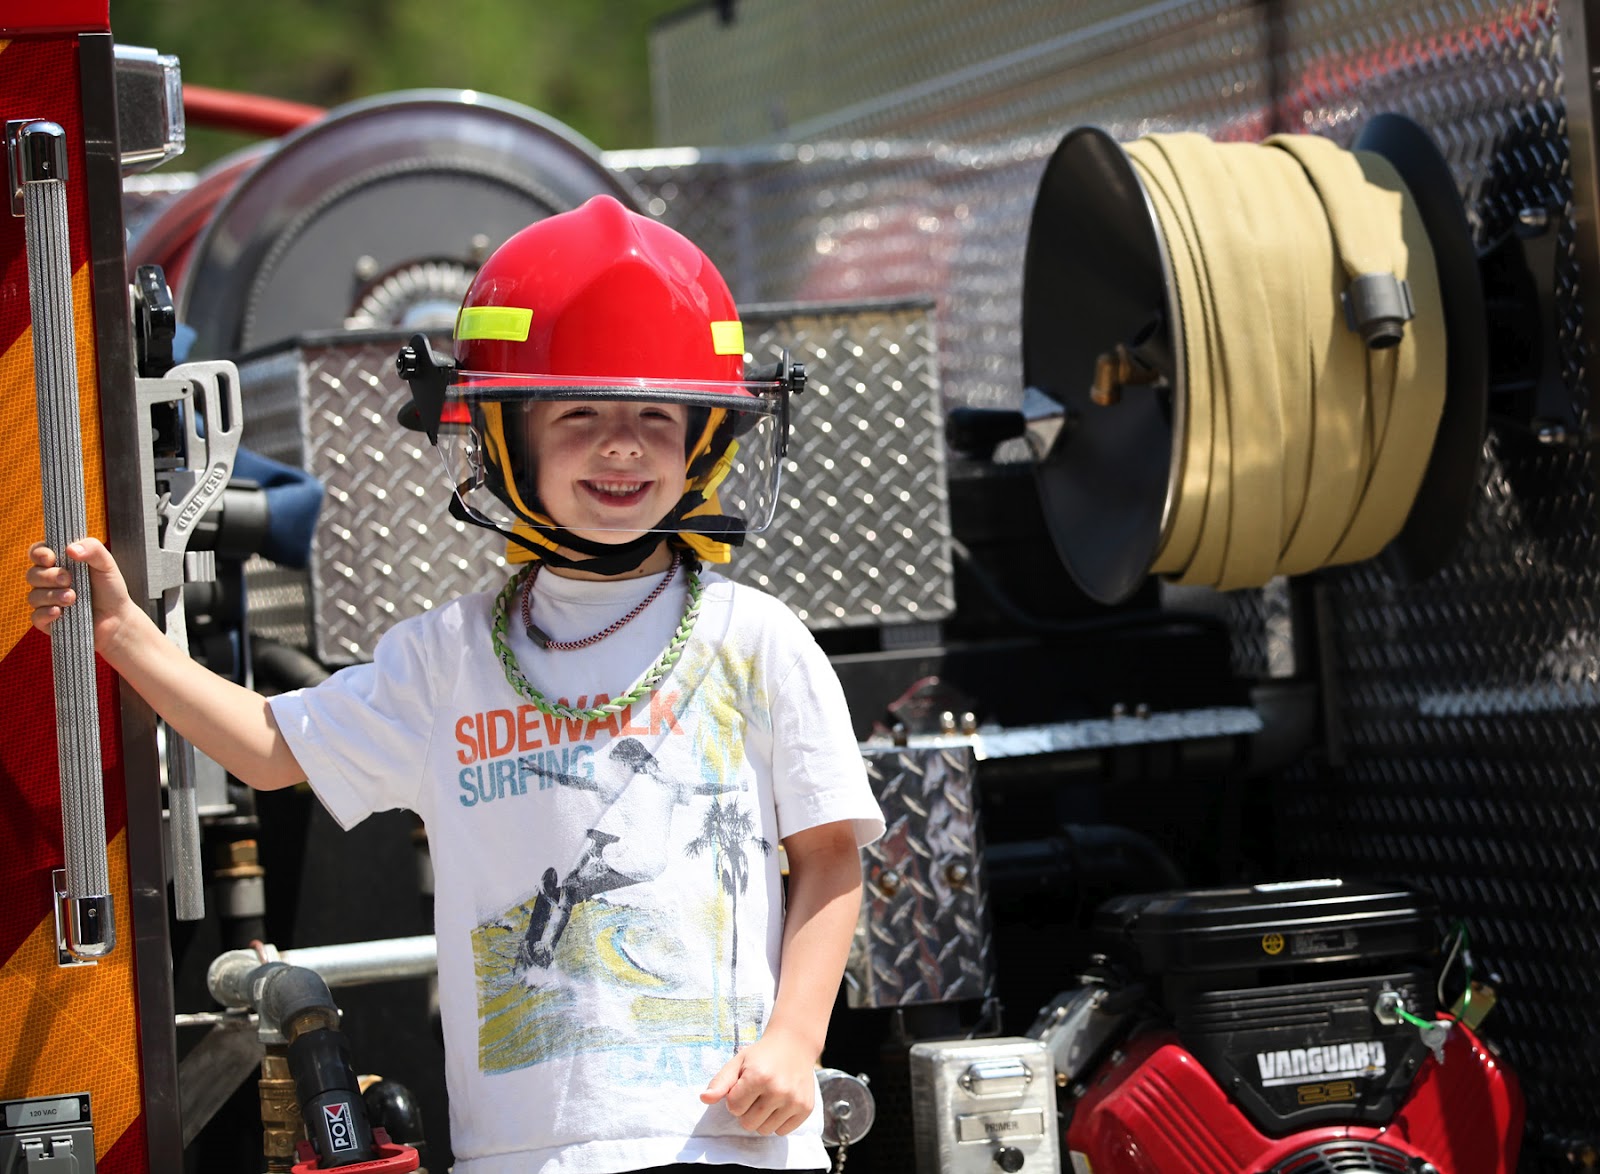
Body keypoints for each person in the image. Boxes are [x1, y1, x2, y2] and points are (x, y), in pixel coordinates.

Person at [26, 194, 885, 1174]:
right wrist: (125, 633)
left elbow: (826, 859)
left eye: (657, 413)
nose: (621, 443)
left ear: (706, 437)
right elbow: (269, 747)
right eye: (578, 414)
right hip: (519, 1155)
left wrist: (794, 1043)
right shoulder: (447, 659)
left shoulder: (756, 642)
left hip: (727, 1143)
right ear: (504, 436)